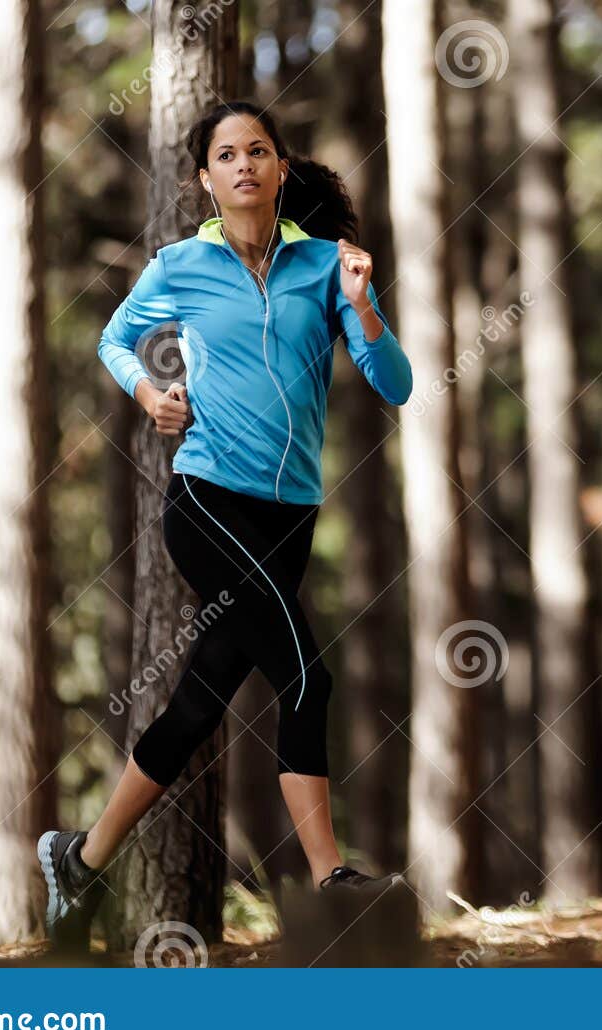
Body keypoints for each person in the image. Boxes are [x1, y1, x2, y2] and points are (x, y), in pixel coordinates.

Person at [36, 100, 412, 949]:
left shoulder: (329, 267)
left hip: (291, 517)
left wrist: (365, 306)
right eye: (226, 154)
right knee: (306, 678)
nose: (244, 165)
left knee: (199, 706)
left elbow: (395, 385)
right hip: (206, 501)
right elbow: (113, 341)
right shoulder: (179, 264)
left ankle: (81, 865)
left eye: (259, 151)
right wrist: (149, 394)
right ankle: (331, 880)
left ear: (280, 168)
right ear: (204, 178)